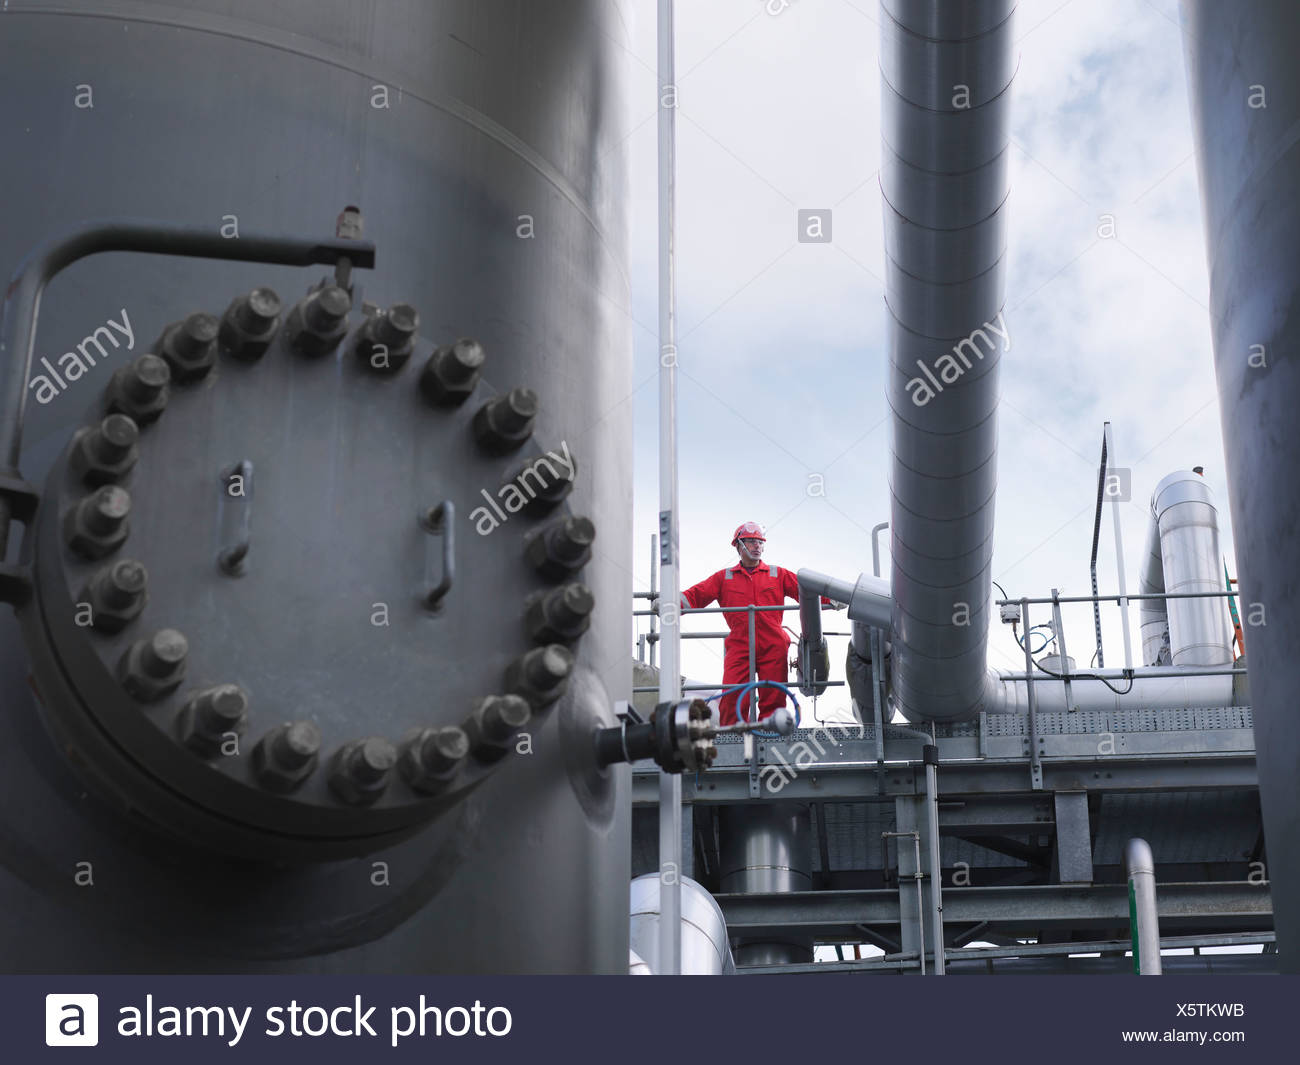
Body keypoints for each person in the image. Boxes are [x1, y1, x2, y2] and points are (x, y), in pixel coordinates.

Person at [677, 522, 831, 727]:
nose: (757, 546)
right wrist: (670, 603)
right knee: (732, 696)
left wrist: (832, 598)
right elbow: (696, 595)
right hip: (740, 644)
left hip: (773, 644)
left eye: (760, 542)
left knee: (774, 696)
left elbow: (806, 594)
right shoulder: (724, 578)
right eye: (751, 542)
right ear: (738, 546)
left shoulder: (778, 574)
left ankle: (769, 739)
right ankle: (733, 742)